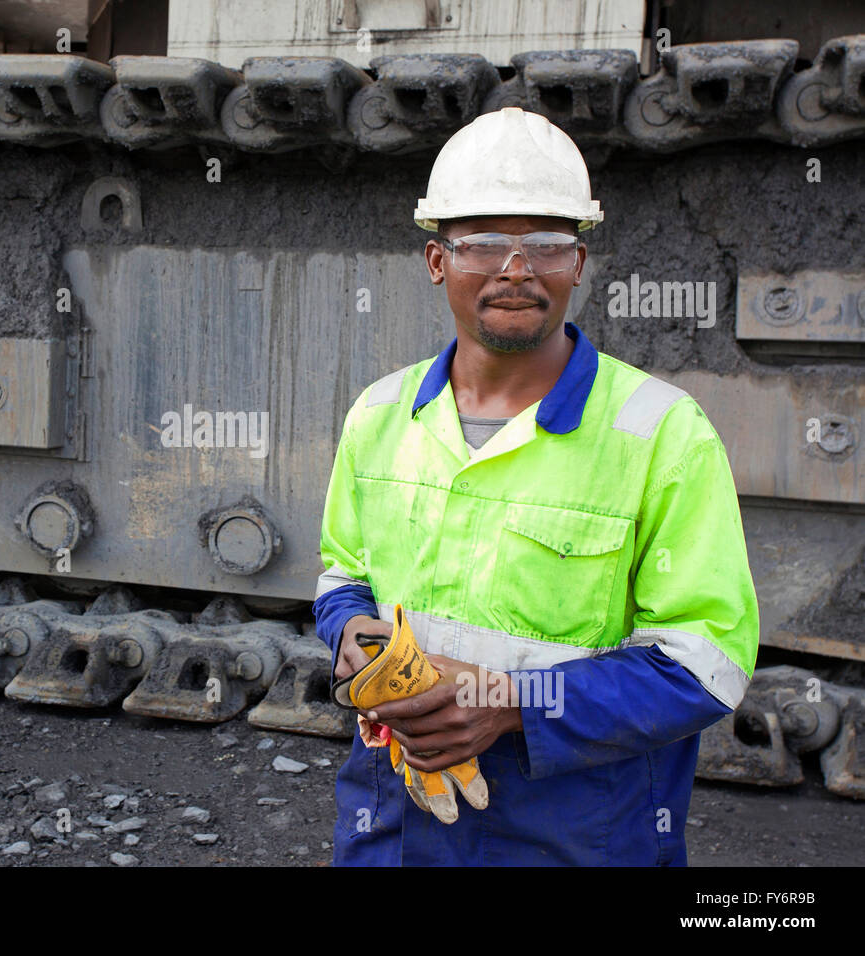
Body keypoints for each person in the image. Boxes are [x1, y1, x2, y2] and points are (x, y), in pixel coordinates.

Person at [312, 107, 759, 866]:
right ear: (435, 260)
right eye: (483, 242)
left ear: (578, 263)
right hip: (393, 816)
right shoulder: (381, 415)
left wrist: (508, 706)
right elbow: (343, 575)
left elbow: (705, 664)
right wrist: (354, 638)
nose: (516, 268)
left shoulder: (661, 434)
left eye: (547, 243)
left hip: (574, 833)